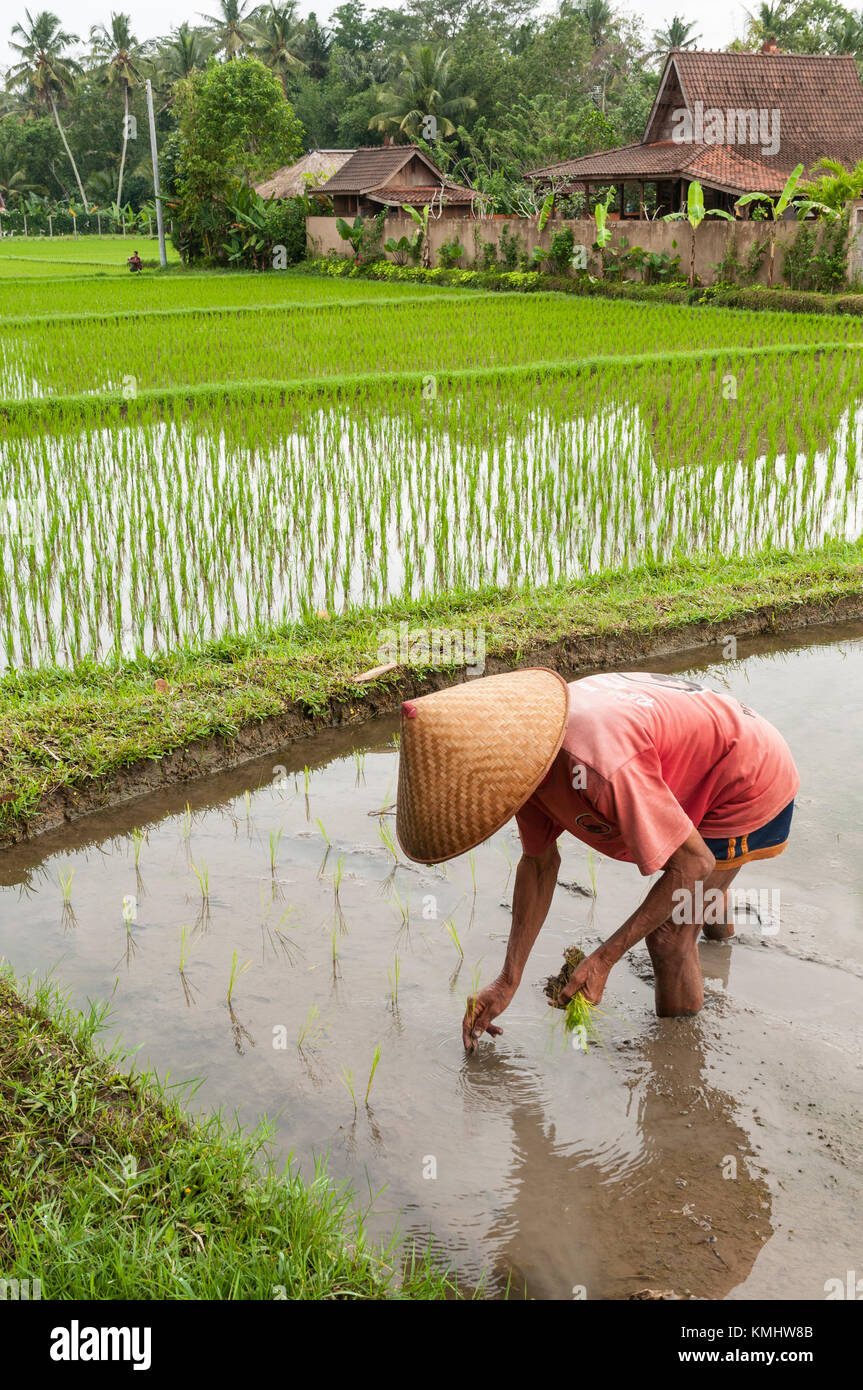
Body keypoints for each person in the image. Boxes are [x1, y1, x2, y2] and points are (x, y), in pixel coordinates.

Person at [394, 667, 799, 1051]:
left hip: (749, 773)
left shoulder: (598, 765)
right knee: (698, 888)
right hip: (694, 750)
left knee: (670, 937)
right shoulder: (525, 762)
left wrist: (604, 959)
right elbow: (538, 866)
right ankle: (716, 930)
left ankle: (680, 1058)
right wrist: (507, 980)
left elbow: (693, 864)